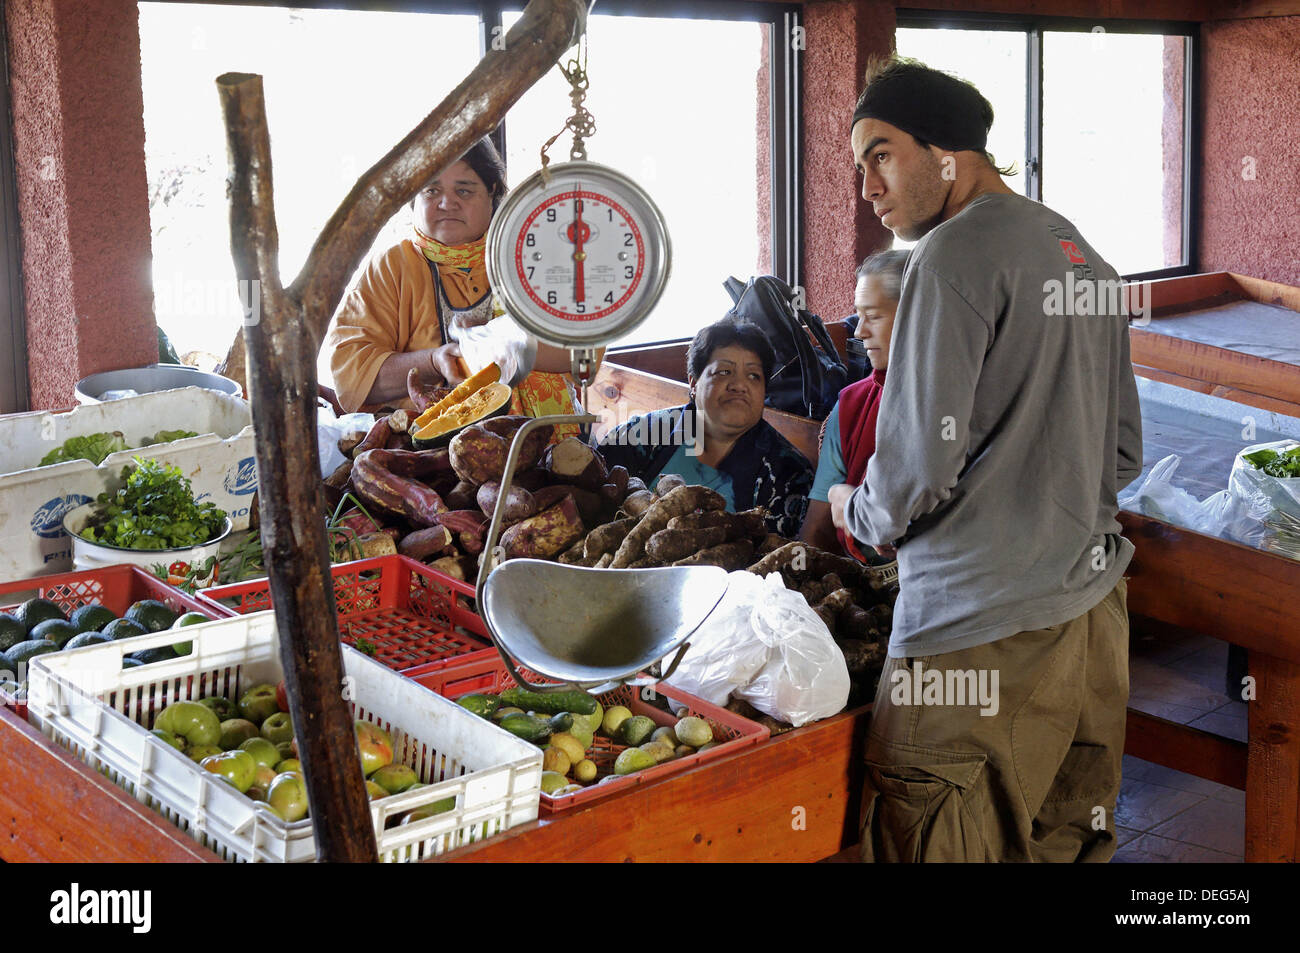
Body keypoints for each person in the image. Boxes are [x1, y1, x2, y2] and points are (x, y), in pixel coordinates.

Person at [828, 56, 1142, 862]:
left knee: (935, 836)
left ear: (947, 156)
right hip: (1089, 619)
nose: (867, 185)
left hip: (977, 633)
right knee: (1067, 841)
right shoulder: (1079, 250)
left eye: (882, 154)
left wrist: (854, 512)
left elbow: (915, 472)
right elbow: (1123, 449)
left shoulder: (950, 257)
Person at [326, 137, 595, 430]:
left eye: (464, 190)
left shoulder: (531, 257)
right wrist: (433, 361)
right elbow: (351, 379)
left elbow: (587, 353)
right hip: (429, 459)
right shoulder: (391, 268)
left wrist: (506, 346)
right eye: (432, 190)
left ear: (492, 191)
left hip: (550, 441)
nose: (447, 203)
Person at [599, 318, 814, 537]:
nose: (740, 385)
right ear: (693, 383)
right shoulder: (639, 436)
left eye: (753, 376)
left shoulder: (788, 473)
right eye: (724, 372)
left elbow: (778, 557)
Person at [799, 249, 908, 559]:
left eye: (873, 316)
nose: (860, 332)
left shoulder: (963, 401)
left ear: (918, 315)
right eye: (858, 315)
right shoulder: (851, 406)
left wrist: (846, 498)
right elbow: (816, 529)